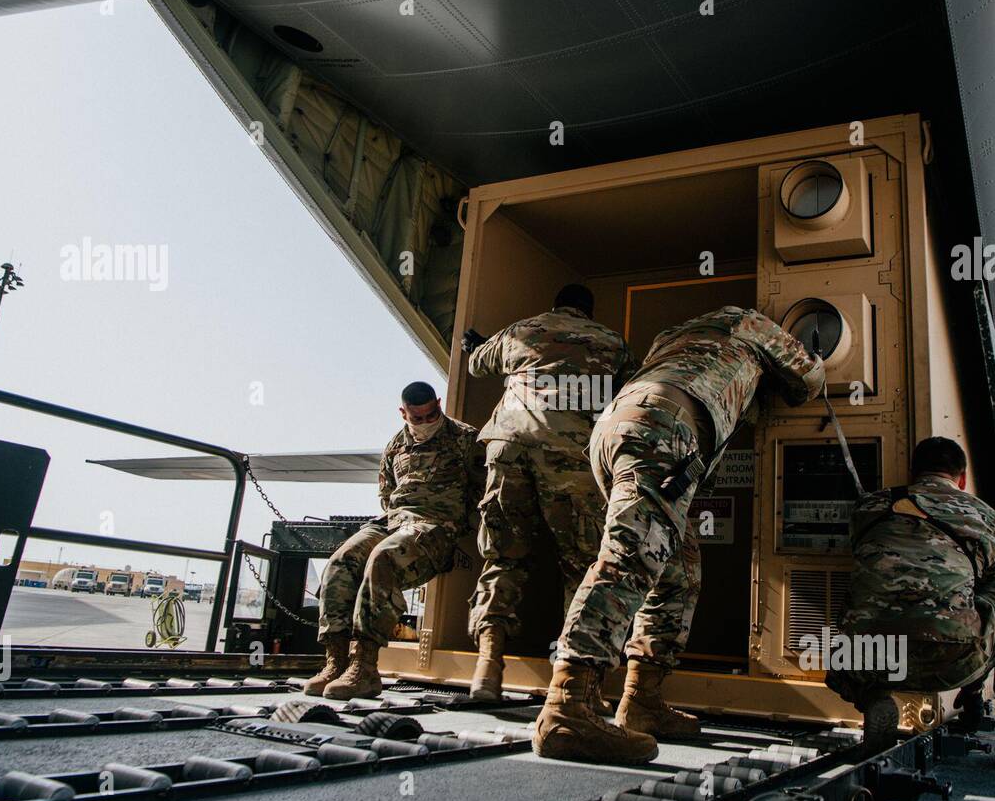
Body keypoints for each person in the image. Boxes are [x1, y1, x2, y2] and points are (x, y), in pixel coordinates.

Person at [533, 306, 824, 763]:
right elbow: (806, 381)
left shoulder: (672, 332)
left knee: (678, 573)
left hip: (616, 428)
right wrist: (814, 360)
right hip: (663, 428)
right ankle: (567, 704)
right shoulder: (748, 322)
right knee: (630, 557)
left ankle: (641, 698)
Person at [461, 284, 637, 701]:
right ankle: (572, 679)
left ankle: (488, 667)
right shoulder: (611, 342)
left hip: (509, 445)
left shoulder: (522, 330)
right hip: (570, 454)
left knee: (503, 556)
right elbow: (627, 395)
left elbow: (477, 366)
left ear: (555, 304)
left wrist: (481, 346)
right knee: (581, 565)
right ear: (588, 312)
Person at [824, 437, 995, 769]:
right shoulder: (990, 520)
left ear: (912, 473)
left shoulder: (867, 508)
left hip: (862, 659)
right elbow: (985, 596)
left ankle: (874, 700)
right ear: (963, 478)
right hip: (951, 659)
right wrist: (973, 690)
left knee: (863, 602)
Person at [303, 382, 483, 700]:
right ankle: (336, 661)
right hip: (394, 522)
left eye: (433, 415)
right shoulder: (395, 446)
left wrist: (459, 528)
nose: (427, 422)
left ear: (439, 404)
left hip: (435, 528)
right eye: (419, 418)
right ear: (403, 414)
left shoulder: (466, 439)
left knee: (383, 559)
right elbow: (387, 495)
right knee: (341, 562)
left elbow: (483, 490)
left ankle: (365, 668)